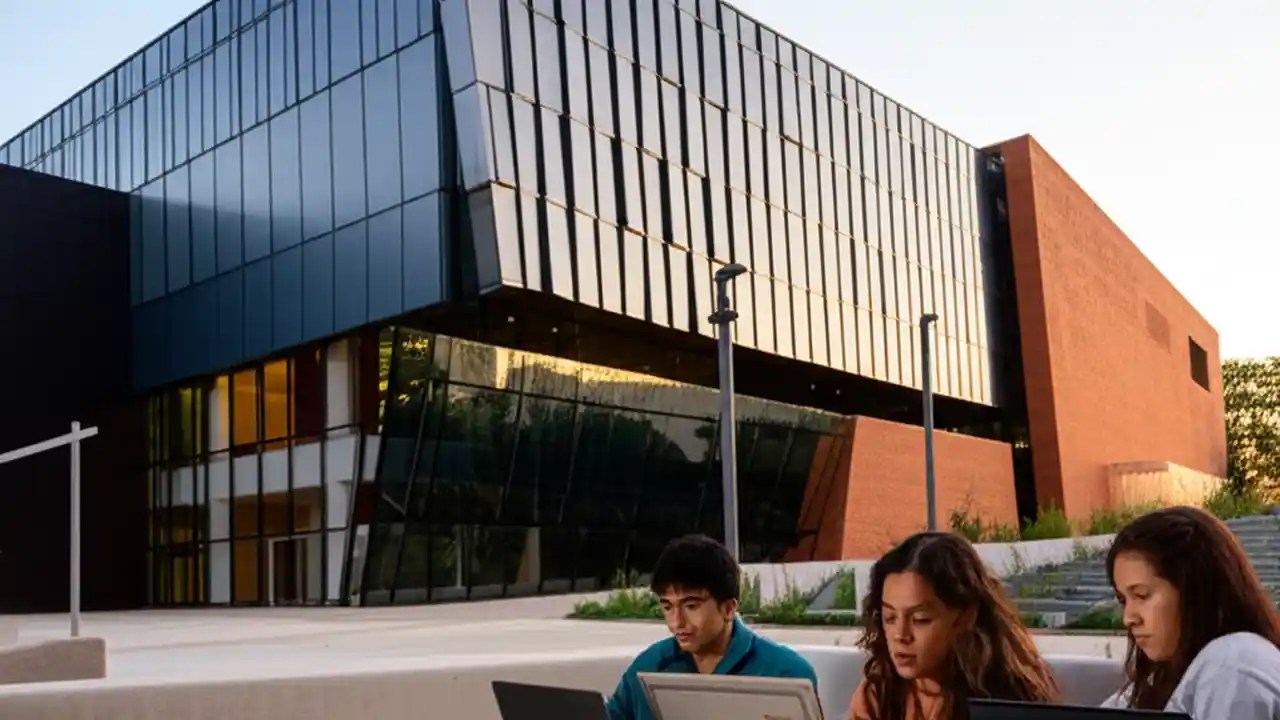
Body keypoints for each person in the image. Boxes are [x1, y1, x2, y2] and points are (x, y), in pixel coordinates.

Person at [605, 534, 818, 720]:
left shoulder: (785, 674)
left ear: (728, 608)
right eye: (668, 607)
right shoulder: (650, 664)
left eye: (691, 606)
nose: (676, 623)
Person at [851, 532, 1059, 720]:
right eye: (890, 618)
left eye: (920, 619)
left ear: (965, 617)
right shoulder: (880, 686)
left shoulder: (1009, 697)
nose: (900, 635)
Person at [1101, 506, 1280, 718]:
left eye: (1142, 595)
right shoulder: (1160, 678)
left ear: (1196, 589)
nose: (1128, 618)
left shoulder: (1232, 664)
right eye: (1123, 600)